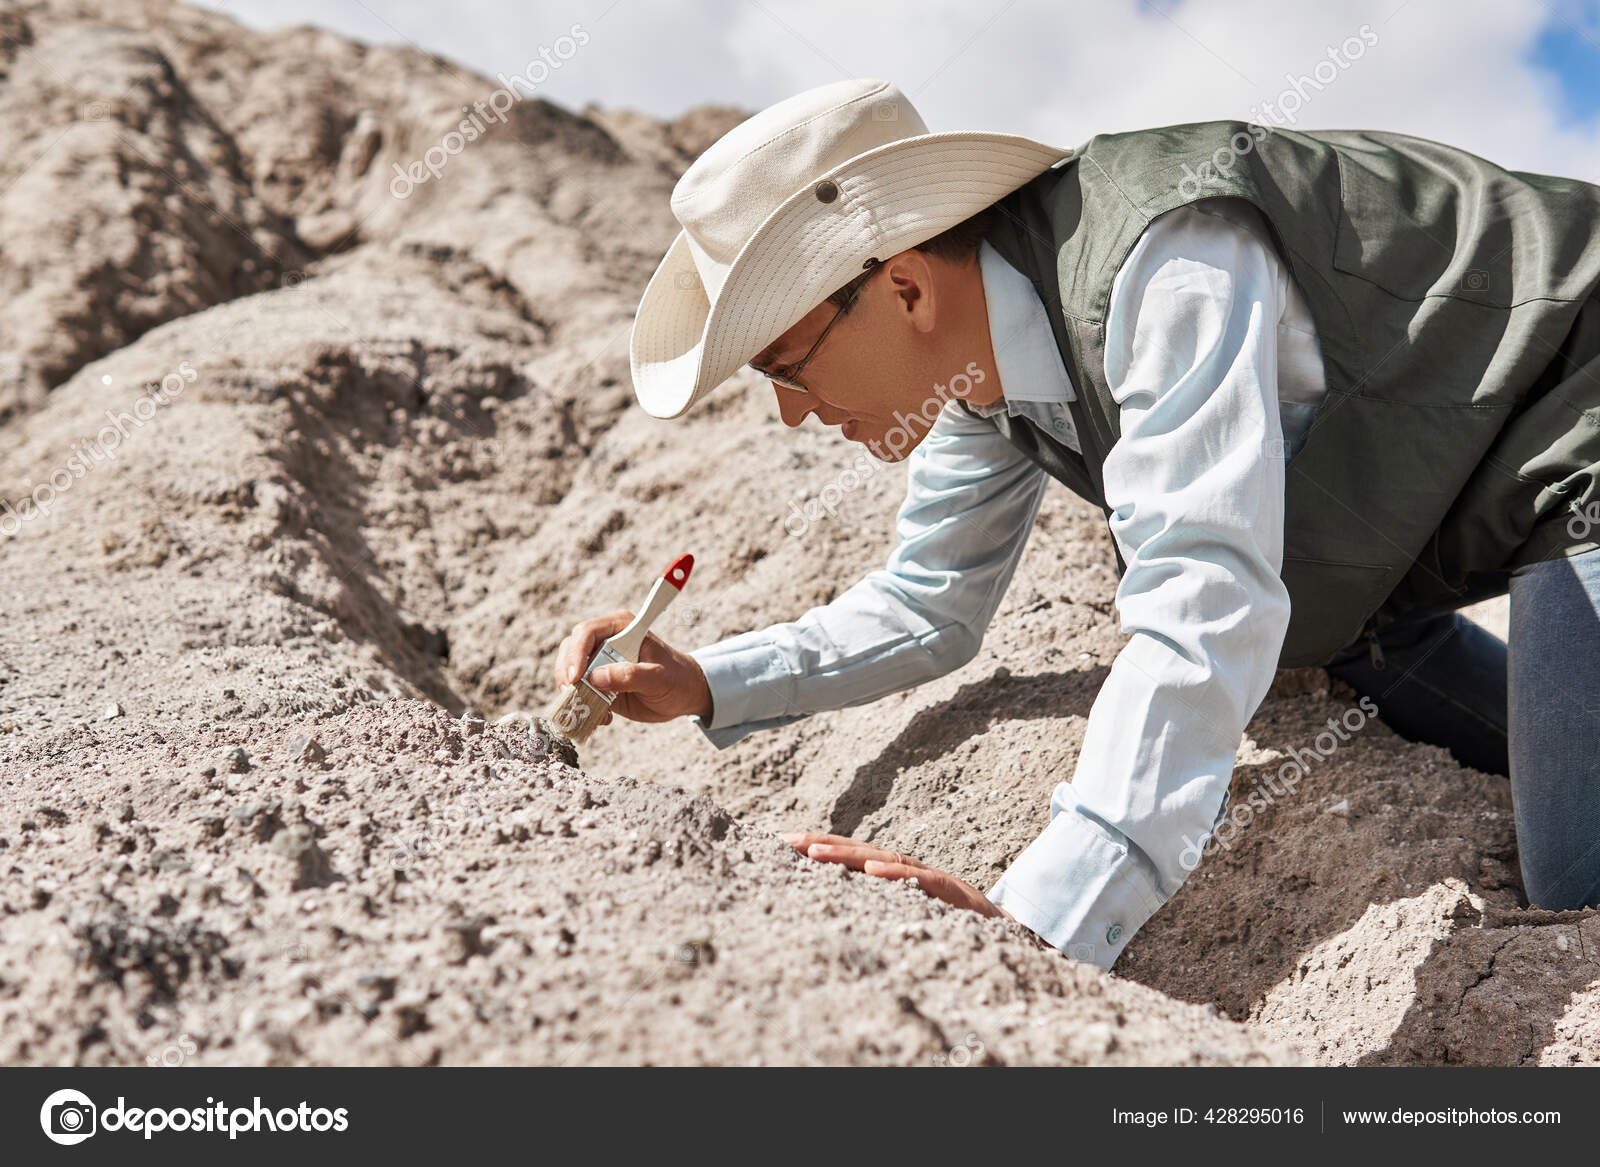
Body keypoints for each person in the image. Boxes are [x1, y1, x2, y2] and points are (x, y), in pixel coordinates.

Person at [555, 78, 1600, 969]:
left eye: (786, 367)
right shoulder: (975, 376)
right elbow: (930, 599)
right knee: (1334, 641)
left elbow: (1206, 593)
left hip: (1580, 424)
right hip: (1451, 511)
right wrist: (707, 680)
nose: (791, 411)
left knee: (1577, 887)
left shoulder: (1167, 262)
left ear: (905, 287)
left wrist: (1035, 925)